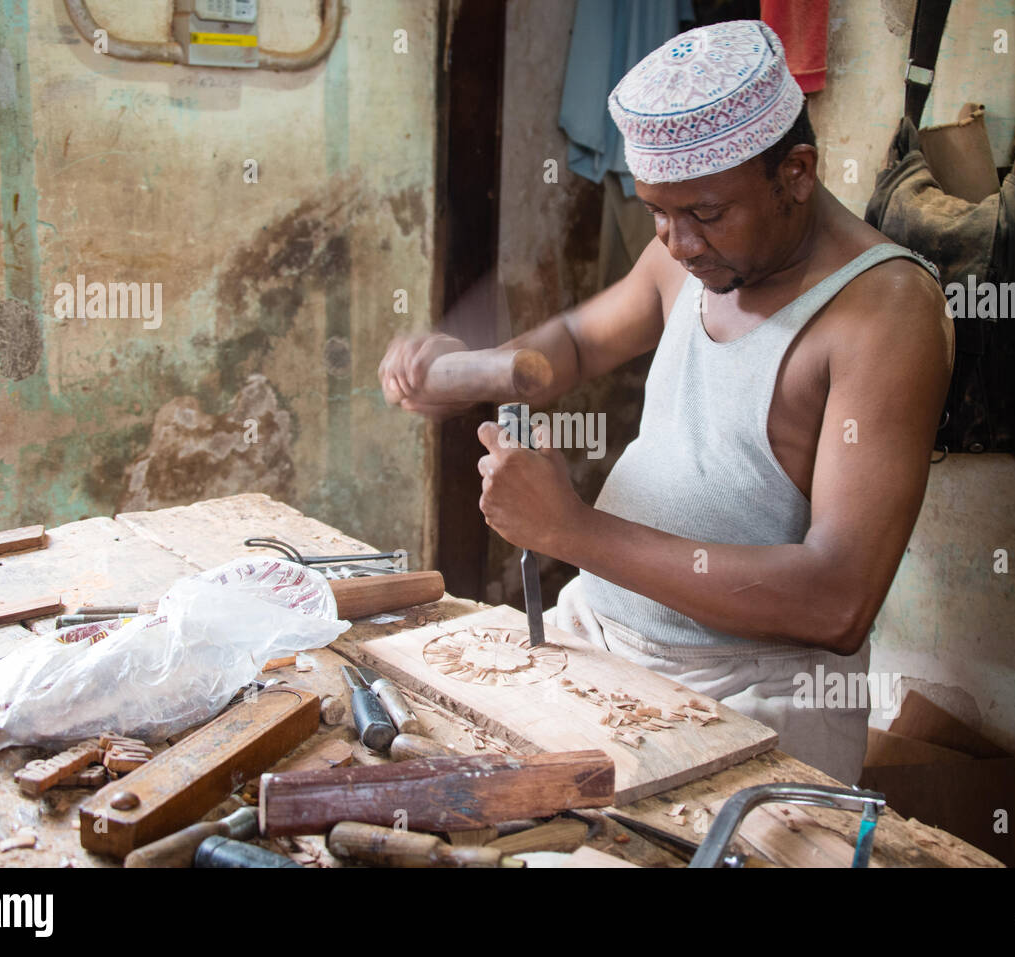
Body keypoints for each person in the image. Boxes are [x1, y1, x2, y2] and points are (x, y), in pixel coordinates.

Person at [378, 20, 952, 783]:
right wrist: (471, 369)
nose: (677, 243)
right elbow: (578, 345)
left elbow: (836, 601)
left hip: (753, 697)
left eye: (704, 214)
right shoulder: (698, 249)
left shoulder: (885, 315)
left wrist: (573, 530)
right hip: (600, 634)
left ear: (799, 173)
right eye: (657, 211)